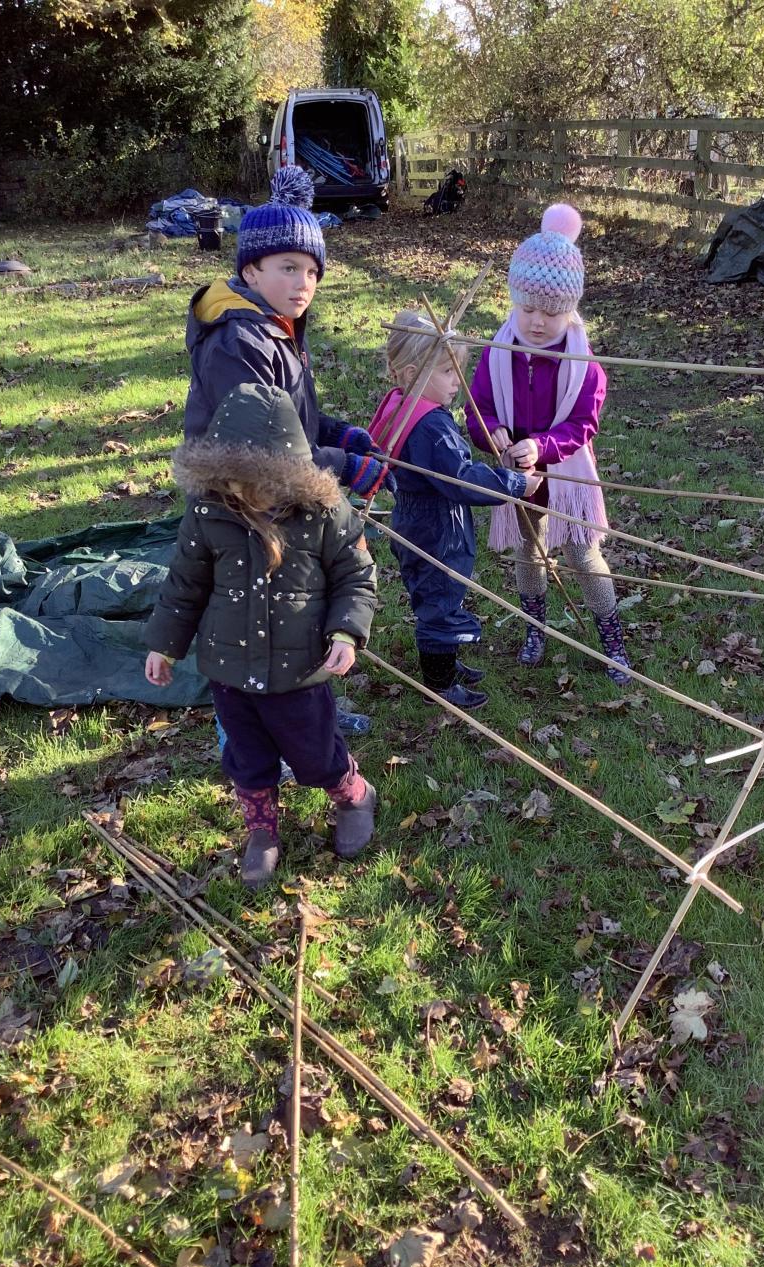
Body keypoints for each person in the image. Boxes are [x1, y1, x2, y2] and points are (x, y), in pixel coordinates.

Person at [145, 384, 378, 887]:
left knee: (316, 755)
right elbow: (184, 583)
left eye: (263, 480)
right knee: (247, 761)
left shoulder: (324, 513)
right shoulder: (209, 513)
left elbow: (355, 576)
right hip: (229, 668)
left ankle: (354, 794)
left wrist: (345, 632)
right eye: (235, 479)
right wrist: (165, 643)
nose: (248, 492)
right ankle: (262, 831)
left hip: (299, 670)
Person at [466, 203, 631, 685]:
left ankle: (611, 636)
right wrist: (489, 430)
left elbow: (583, 423)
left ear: (571, 307)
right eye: (528, 308)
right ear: (514, 300)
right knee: (528, 549)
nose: (538, 322)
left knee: (582, 553)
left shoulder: (583, 363)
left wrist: (542, 446)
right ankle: (535, 626)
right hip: (518, 473)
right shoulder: (500, 350)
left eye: (553, 311)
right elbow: (478, 406)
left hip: (564, 472)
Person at [184, 165, 391, 502]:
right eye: (289, 268)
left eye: (312, 272)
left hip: (280, 499)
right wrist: (344, 466)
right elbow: (261, 449)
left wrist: (338, 434)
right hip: (238, 513)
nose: (303, 283)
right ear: (251, 271)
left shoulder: (282, 324)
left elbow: (288, 419)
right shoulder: (237, 343)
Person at [370, 312, 542, 709]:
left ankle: (444, 660)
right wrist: (516, 484)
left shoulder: (404, 405)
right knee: (440, 598)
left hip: (419, 518)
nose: (457, 381)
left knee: (438, 592)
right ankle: (440, 684)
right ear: (413, 372)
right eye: (448, 371)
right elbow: (461, 479)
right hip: (436, 525)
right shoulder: (429, 426)